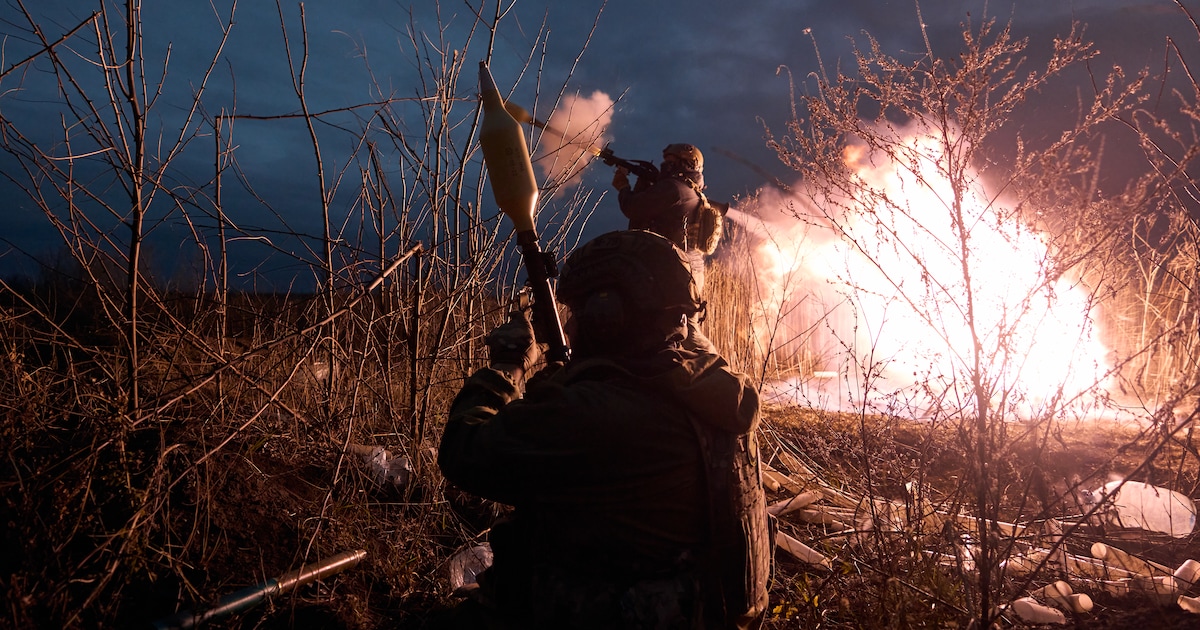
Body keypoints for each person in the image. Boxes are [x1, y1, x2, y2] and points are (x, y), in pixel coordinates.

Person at [436, 230, 770, 629]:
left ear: (607, 316)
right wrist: (574, 375)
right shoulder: (713, 385)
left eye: (579, 312)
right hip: (697, 609)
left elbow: (464, 450)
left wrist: (507, 366)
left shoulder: (596, 414)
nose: (573, 324)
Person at [612, 144, 723, 293]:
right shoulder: (692, 192)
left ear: (687, 164)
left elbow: (633, 208)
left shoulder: (674, 188)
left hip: (672, 271)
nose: (665, 165)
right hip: (690, 269)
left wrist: (623, 187)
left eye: (671, 161)